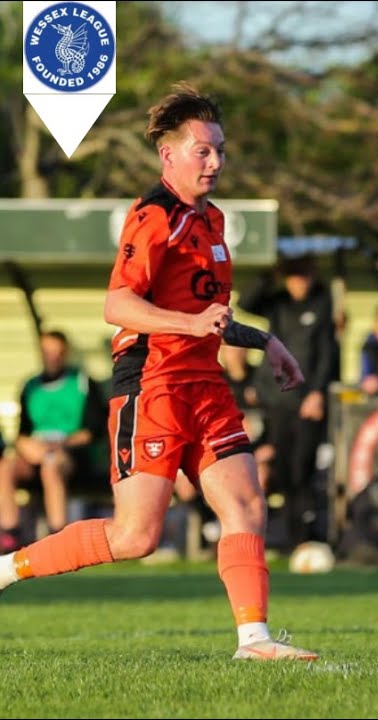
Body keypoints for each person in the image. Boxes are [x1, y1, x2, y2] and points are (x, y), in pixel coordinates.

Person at [0, 82, 318, 662]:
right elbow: (118, 305)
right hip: (152, 386)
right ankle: (6, 568)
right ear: (168, 155)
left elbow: (208, 315)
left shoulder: (213, 221)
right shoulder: (152, 217)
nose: (216, 161)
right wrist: (192, 326)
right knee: (135, 537)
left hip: (204, 385)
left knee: (245, 504)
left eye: (220, 149)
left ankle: (255, 640)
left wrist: (265, 339)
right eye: (203, 150)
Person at [239, 254, 340, 549]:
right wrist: (269, 275)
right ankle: (290, 535)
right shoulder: (277, 302)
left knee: (302, 469)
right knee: (282, 471)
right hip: (276, 398)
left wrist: (318, 392)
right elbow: (246, 303)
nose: (299, 284)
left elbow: (326, 353)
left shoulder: (322, 304)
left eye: (304, 277)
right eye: (293, 277)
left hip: (306, 400)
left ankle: (305, 537)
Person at [0, 330, 109, 547]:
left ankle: (56, 537)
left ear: (65, 353)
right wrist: (27, 446)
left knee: (51, 464)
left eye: (57, 352)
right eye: (47, 351)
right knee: (5, 467)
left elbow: (93, 432)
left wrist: (58, 445)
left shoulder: (83, 383)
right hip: (36, 454)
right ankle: (10, 533)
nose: (52, 357)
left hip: (72, 456)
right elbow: (23, 433)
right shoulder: (30, 386)